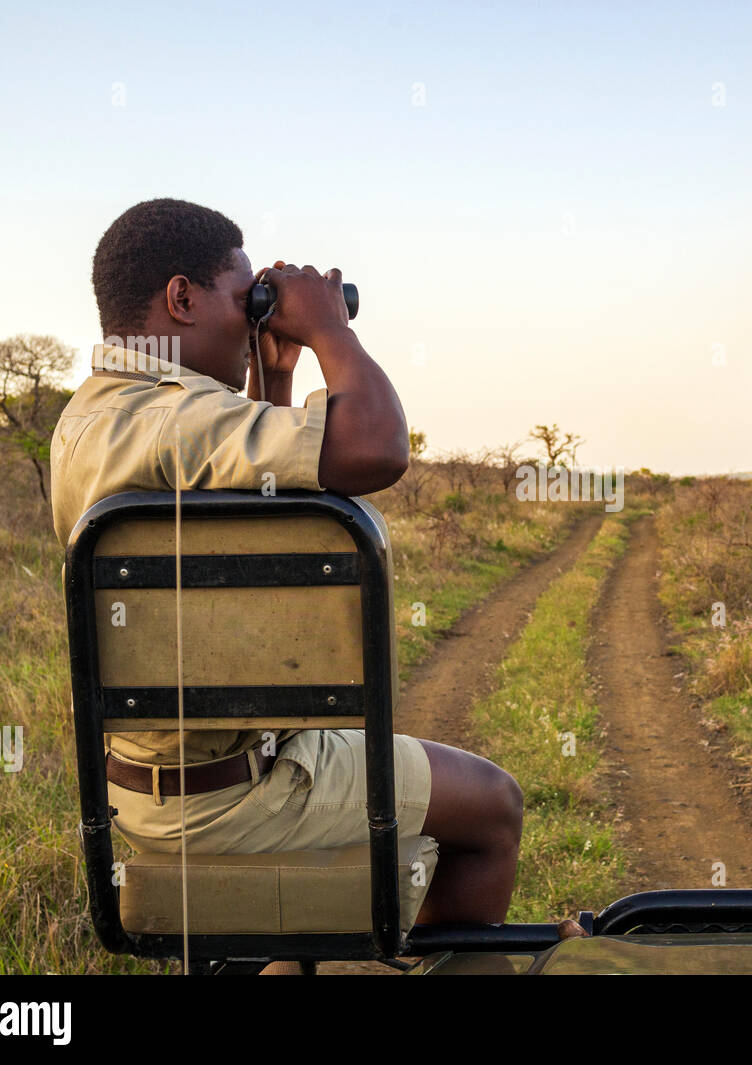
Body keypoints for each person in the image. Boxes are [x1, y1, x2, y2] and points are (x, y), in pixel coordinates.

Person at [50, 198, 523, 945]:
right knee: (494, 805)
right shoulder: (180, 418)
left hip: (143, 786)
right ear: (181, 298)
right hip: (239, 792)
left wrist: (270, 375)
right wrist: (330, 327)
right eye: (246, 301)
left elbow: (251, 527)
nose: (253, 320)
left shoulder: (93, 418)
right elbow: (376, 445)